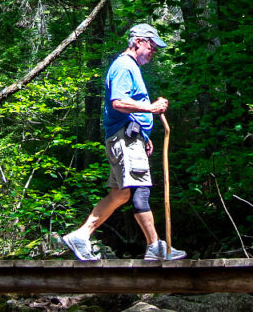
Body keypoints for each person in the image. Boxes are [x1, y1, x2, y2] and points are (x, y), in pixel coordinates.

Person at [60, 22, 185, 261]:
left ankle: (80, 236)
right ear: (138, 41)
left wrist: (143, 136)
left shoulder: (129, 67)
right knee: (140, 190)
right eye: (151, 46)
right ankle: (155, 247)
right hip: (125, 140)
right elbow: (118, 102)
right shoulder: (124, 66)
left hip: (129, 138)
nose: (153, 51)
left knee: (120, 195)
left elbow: (125, 106)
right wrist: (151, 108)